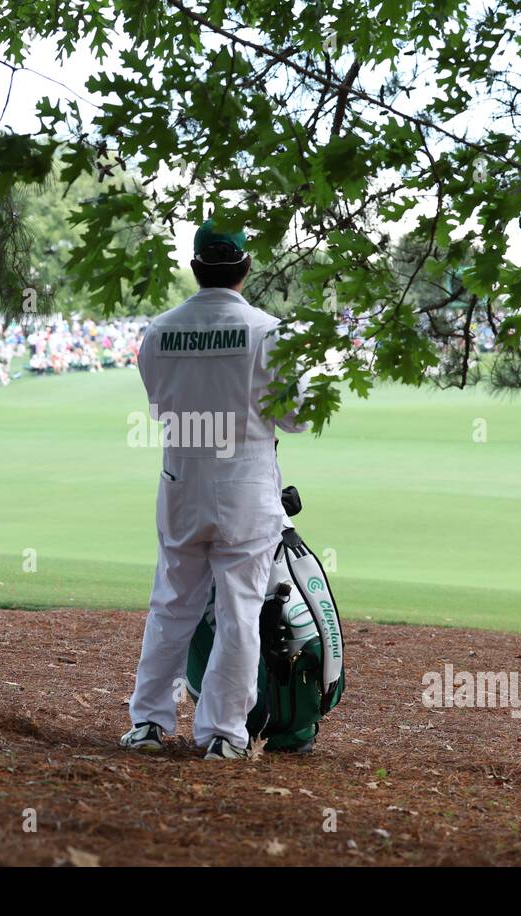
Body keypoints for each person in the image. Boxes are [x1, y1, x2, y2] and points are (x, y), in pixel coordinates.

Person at [120, 220, 307, 760]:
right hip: (246, 484)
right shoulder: (269, 331)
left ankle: (149, 724)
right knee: (239, 610)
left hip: (182, 479)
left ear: (196, 267)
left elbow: (160, 403)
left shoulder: (159, 330)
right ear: (246, 268)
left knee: (171, 605)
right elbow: (294, 418)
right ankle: (223, 733)